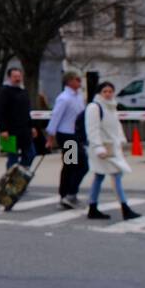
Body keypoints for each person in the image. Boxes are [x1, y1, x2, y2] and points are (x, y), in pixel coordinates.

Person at [84, 81, 141, 221]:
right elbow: (92, 129)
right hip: (101, 149)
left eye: (110, 91)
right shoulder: (95, 107)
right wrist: (98, 147)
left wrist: (121, 141)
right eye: (105, 91)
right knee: (116, 175)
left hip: (110, 148)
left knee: (100, 176)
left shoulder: (111, 107)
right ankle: (124, 208)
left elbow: (116, 126)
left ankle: (93, 206)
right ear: (99, 93)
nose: (108, 94)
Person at [46, 71, 89, 209]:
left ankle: (71, 192)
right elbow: (56, 117)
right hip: (67, 136)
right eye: (77, 79)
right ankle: (65, 195)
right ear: (69, 81)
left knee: (81, 165)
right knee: (71, 166)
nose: (79, 82)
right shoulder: (64, 98)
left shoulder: (78, 97)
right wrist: (50, 137)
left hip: (76, 135)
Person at [0, 66, 37, 169]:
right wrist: (3, 129)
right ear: (9, 77)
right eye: (15, 76)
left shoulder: (23, 91)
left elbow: (27, 111)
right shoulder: (4, 92)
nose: (17, 78)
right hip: (9, 132)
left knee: (31, 154)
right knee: (12, 158)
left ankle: (19, 173)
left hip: (25, 131)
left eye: (19, 76)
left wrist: (32, 126)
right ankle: (10, 181)